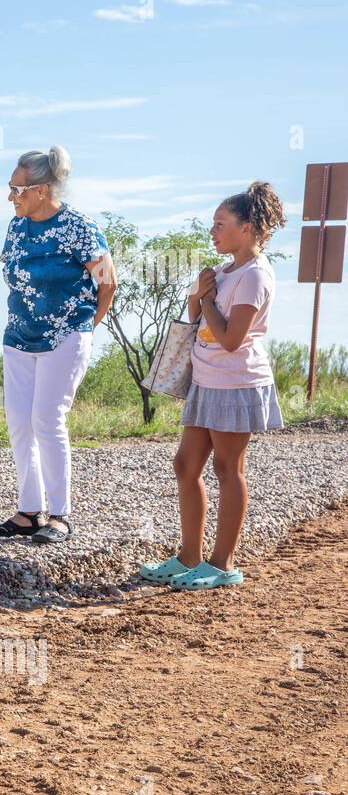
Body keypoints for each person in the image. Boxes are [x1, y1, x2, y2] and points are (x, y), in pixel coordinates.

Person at [140, 182, 286, 590]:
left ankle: (222, 565)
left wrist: (205, 299)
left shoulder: (256, 276)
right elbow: (195, 318)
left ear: (249, 227)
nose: (213, 232)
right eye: (212, 224)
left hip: (237, 383)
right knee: (186, 465)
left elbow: (231, 338)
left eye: (221, 225)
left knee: (228, 469)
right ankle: (189, 556)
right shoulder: (223, 272)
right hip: (206, 382)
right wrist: (200, 294)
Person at [0, 146, 117, 544]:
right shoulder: (16, 227)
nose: (11, 197)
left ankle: (60, 514)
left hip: (66, 335)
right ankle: (29, 511)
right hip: (19, 337)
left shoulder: (79, 226)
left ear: (41, 190)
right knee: (20, 422)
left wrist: (86, 328)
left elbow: (107, 282)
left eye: (17, 189)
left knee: (47, 419)